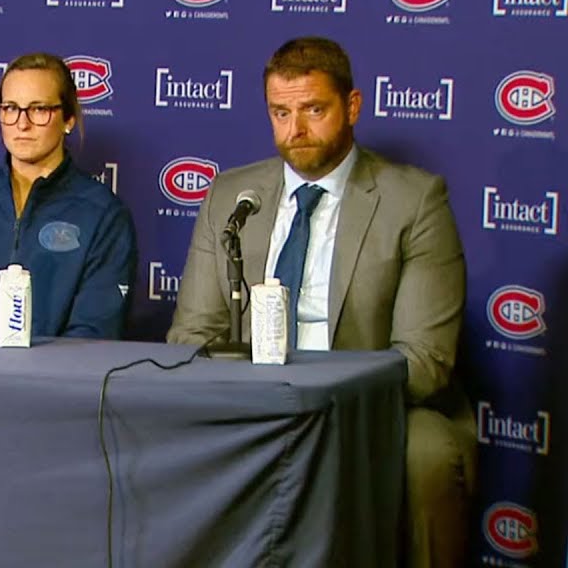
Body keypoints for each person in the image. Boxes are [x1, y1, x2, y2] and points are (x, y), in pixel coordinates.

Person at [167, 37, 475, 567]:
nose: (296, 130)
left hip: (368, 402)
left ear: (351, 107)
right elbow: (192, 333)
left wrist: (318, 391)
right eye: (280, 112)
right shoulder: (230, 195)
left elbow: (424, 364)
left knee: (427, 454)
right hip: (249, 395)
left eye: (314, 110)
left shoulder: (414, 199)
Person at [0, 52, 137, 338]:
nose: (22, 124)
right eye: (10, 108)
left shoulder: (103, 215)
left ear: (68, 118)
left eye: (38, 109)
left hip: (61, 380)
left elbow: (94, 331)